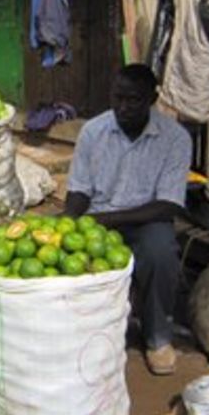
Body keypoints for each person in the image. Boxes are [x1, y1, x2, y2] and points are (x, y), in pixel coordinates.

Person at [64, 64, 191, 376]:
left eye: (133, 100)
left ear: (152, 98)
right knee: (69, 259)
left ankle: (158, 337)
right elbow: (79, 189)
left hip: (147, 219)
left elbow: (168, 205)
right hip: (98, 217)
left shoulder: (175, 138)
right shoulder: (93, 131)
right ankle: (85, 336)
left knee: (160, 252)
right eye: (117, 98)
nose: (123, 107)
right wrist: (66, 221)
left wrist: (109, 219)